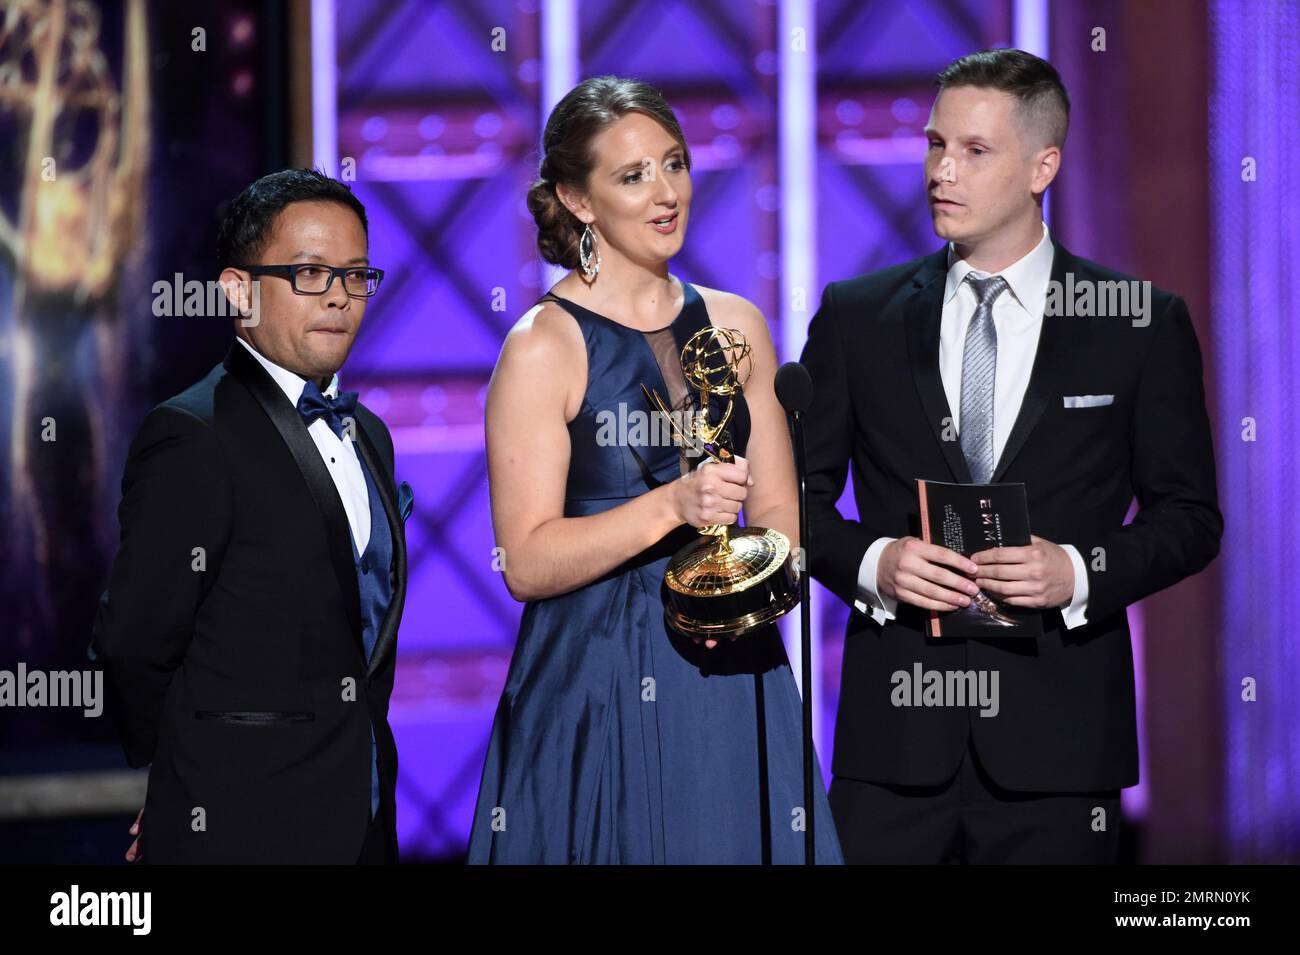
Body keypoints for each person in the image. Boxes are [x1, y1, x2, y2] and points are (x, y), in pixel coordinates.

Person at [801, 49, 1221, 863]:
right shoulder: (858, 317)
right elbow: (797, 507)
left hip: (1059, 753)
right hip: (892, 751)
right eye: (934, 145)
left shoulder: (1137, 323)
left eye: (973, 151)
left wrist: (1079, 571)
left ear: (1043, 165)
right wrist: (876, 561)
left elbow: (1192, 518)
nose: (941, 171)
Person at [467, 76, 842, 863]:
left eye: (674, 164)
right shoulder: (544, 346)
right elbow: (526, 560)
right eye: (632, 176)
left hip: (730, 664)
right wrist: (673, 505)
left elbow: (779, 513)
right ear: (576, 199)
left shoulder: (737, 324)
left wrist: (748, 597)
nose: (665, 192)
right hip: (595, 674)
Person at [91, 168, 412, 863]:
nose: (338, 296)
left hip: (365, 823)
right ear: (238, 289)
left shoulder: (371, 436)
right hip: (239, 825)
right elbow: (134, 639)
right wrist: (179, 782)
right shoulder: (193, 433)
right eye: (309, 272)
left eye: (356, 275)